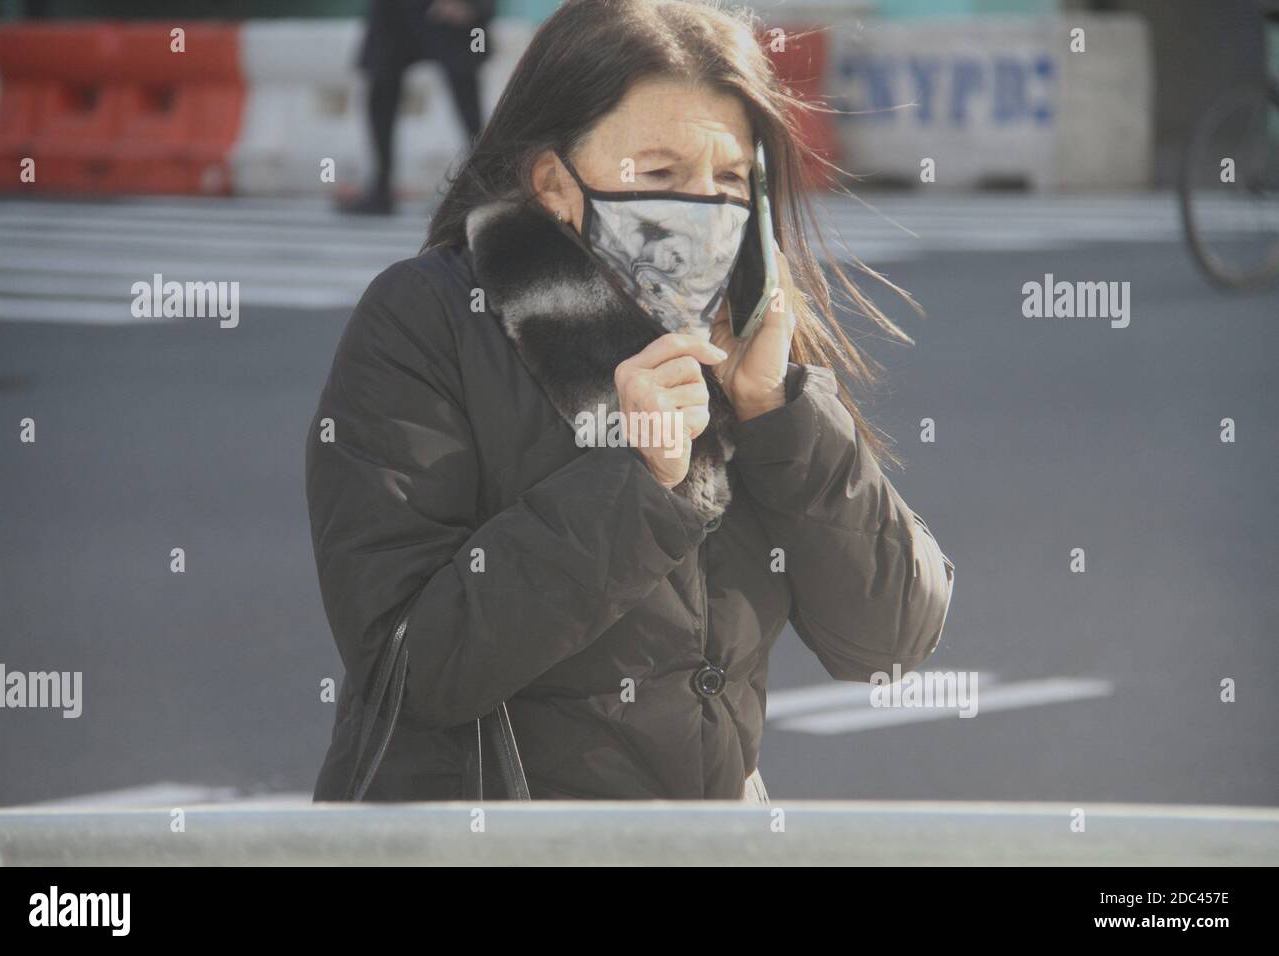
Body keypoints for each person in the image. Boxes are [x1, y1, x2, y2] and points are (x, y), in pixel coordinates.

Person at [307, 0, 955, 801]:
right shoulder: (430, 320)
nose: (701, 211)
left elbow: (890, 639)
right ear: (555, 186)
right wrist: (641, 483)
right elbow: (411, 667)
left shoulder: (739, 343)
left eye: (726, 180)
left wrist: (783, 412)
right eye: (658, 176)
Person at [340, 0, 497, 215]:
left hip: (451, 10)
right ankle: (380, 188)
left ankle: (483, 186)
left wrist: (476, 6)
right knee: (380, 86)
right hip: (395, 9)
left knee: (465, 92)